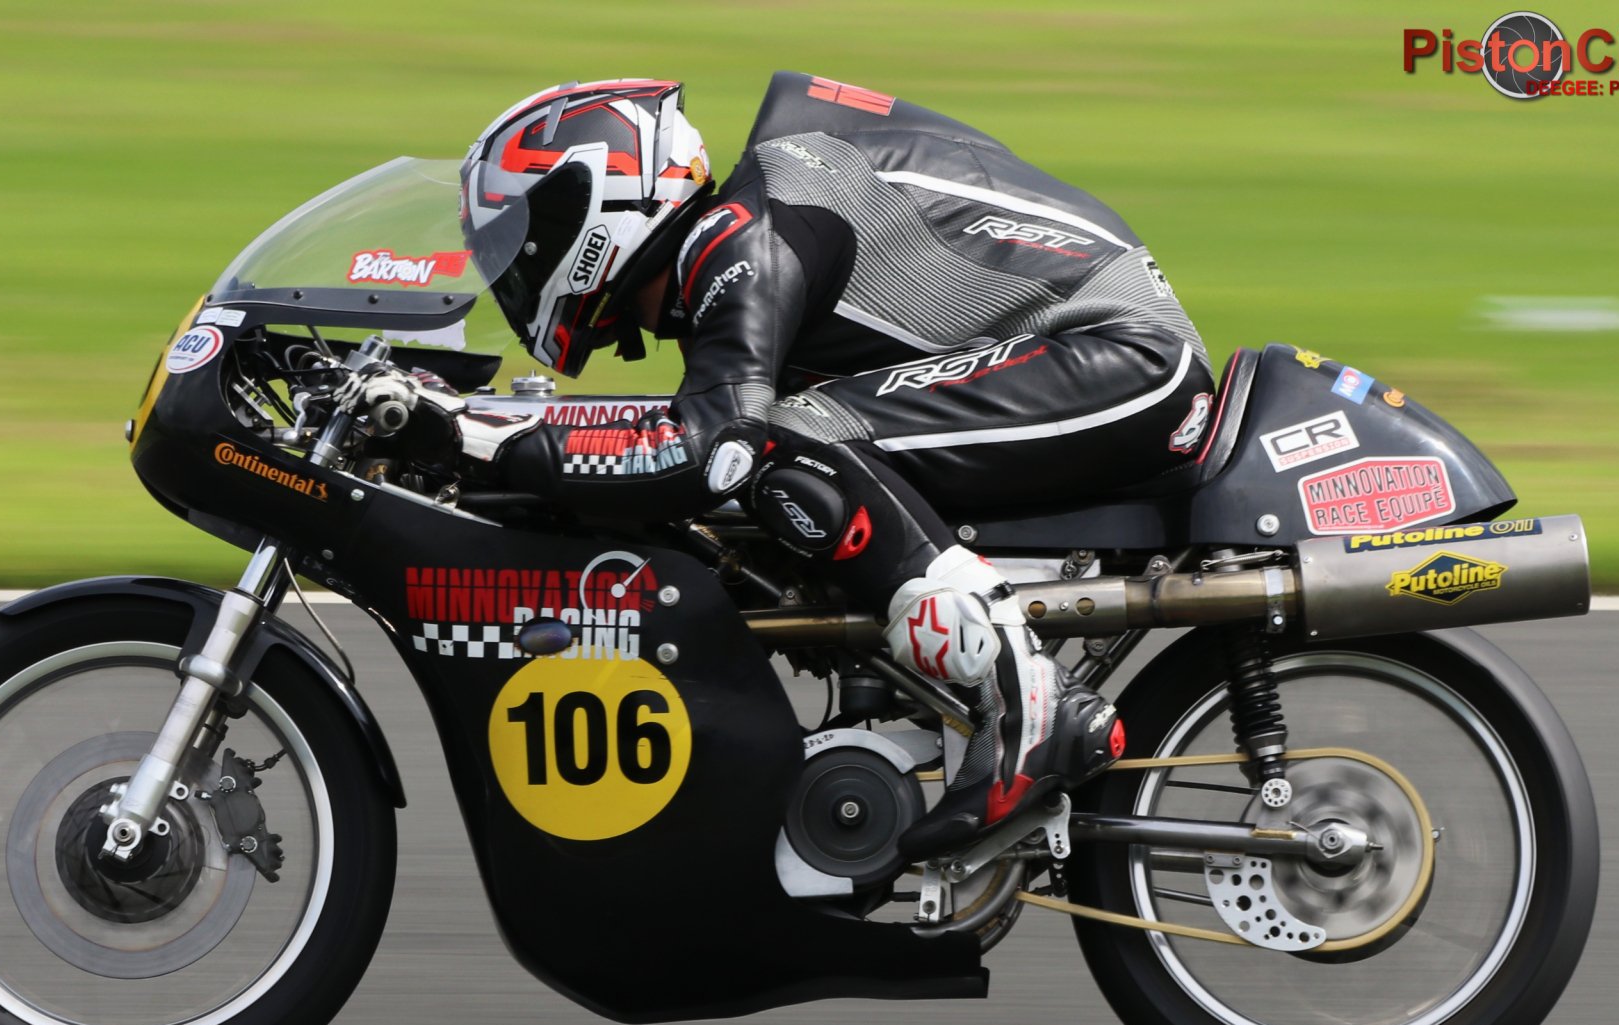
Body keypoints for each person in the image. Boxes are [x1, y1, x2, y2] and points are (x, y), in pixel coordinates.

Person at [446, 73, 1215, 858]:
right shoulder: (743, 231)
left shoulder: (746, 236)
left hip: (1123, 358)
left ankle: (1026, 703)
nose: (514, 263)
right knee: (779, 450)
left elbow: (711, 450)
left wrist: (485, 443)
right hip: (1094, 354)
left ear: (595, 201)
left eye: (522, 236)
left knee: (789, 438)